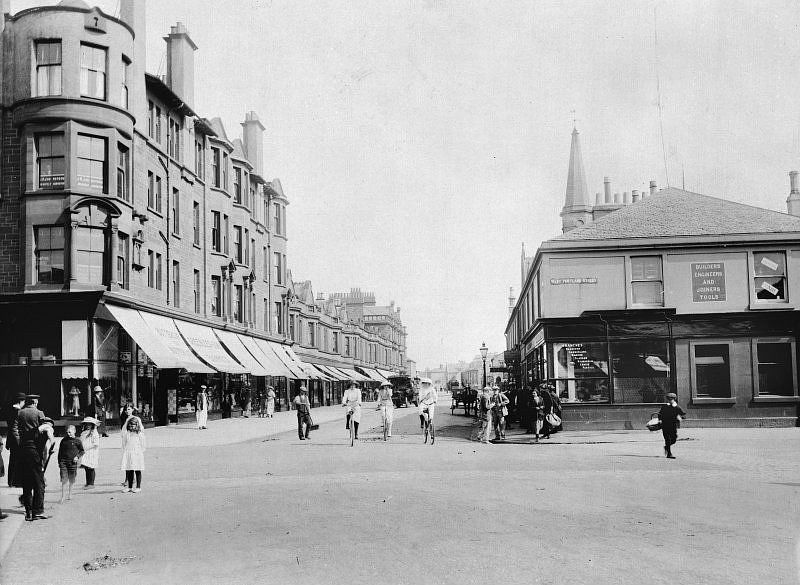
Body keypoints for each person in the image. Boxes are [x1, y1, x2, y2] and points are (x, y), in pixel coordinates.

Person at [11, 394, 48, 521]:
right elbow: (44, 431)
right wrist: (41, 447)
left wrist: (20, 442)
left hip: (23, 451)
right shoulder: (39, 413)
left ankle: (28, 512)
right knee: (39, 482)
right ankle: (37, 511)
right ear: (35, 402)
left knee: (26, 482)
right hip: (35, 451)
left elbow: (14, 430)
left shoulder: (20, 413)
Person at [57, 424, 84, 503]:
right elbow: (60, 452)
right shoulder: (63, 440)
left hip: (73, 463)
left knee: (71, 479)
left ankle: (70, 493)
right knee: (64, 479)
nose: (68, 434)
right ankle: (62, 496)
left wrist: (77, 457)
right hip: (63, 462)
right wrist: (59, 462)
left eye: (70, 432)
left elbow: (82, 451)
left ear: (74, 431)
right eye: (67, 432)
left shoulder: (77, 441)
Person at [4, 392, 26, 491]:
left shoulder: (9, 409)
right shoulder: (17, 411)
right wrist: (19, 441)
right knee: (18, 460)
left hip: (11, 438)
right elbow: (14, 428)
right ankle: (16, 481)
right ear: (21, 401)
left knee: (13, 460)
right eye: (24, 401)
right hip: (17, 439)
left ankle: (11, 481)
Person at [121, 416, 146, 492]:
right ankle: (130, 487)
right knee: (130, 470)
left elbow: (143, 445)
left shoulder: (140, 434)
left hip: (137, 453)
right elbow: (124, 444)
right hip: (129, 453)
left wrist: (139, 452)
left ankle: (138, 487)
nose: (132, 426)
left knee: (137, 470)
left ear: (137, 425)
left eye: (134, 425)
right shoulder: (127, 434)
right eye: (130, 425)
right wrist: (126, 451)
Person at [658, 392, 686, 459]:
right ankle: (669, 454)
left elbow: (683, 414)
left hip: (673, 425)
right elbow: (660, 414)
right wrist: (660, 420)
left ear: (674, 399)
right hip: (665, 425)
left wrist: (680, 417)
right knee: (667, 439)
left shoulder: (677, 407)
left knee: (674, 439)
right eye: (668, 399)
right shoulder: (664, 407)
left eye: (671, 399)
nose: (669, 400)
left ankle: (666, 447)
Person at [79, 416, 100, 488]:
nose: (88, 426)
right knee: (86, 467)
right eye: (87, 424)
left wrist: (87, 448)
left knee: (91, 467)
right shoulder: (84, 433)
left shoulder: (94, 433)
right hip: (85, 453)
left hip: (91, 452)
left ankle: (91, 483)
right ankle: (88, 482)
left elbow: (96, 444)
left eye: (89, 424)